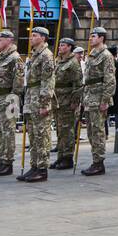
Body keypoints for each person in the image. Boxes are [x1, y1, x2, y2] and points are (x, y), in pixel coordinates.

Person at [18, 26, 55, 182]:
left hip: (40, 100)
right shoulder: (35, 55)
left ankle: (42, 169)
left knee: (42, 135)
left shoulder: (46, 55)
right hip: (31, 98)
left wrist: (45, 103)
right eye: (31, 35)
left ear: (43, 38)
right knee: (33, 135)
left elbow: (48, 81)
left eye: (34, 35)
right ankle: (34, 166)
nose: (31, 38)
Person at [0, 30, 24, 176]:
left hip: (9, 99)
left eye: (0, 40)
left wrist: (13, 100)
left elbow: (18, 82)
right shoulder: (1, 57)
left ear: (9, 40)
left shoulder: (15, 58)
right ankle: (0, 160)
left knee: (8, 132)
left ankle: (7, 163)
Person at [81, 27, 116, 176]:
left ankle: (99, 163)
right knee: (90, 131)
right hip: (90, 97)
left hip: (99, 97)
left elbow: (109, 79)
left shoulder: (106, 55)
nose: (91, 39)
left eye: (94, 36)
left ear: (102, 38)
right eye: (90, 36)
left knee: (98, 132)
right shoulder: (92, 55)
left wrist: (105, 100)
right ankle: (95, 160)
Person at [50, 37, 82, 170]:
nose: (60, 47)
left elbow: (78, 84)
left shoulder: (73, 63)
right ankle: (60, 156)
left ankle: (67, 157)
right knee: (60, 130)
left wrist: (75, 101)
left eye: (63, 45)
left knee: (67, 130)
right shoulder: (59, 61)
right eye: (60, 45)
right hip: (58, 100)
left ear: (69, 47)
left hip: (67, 100)